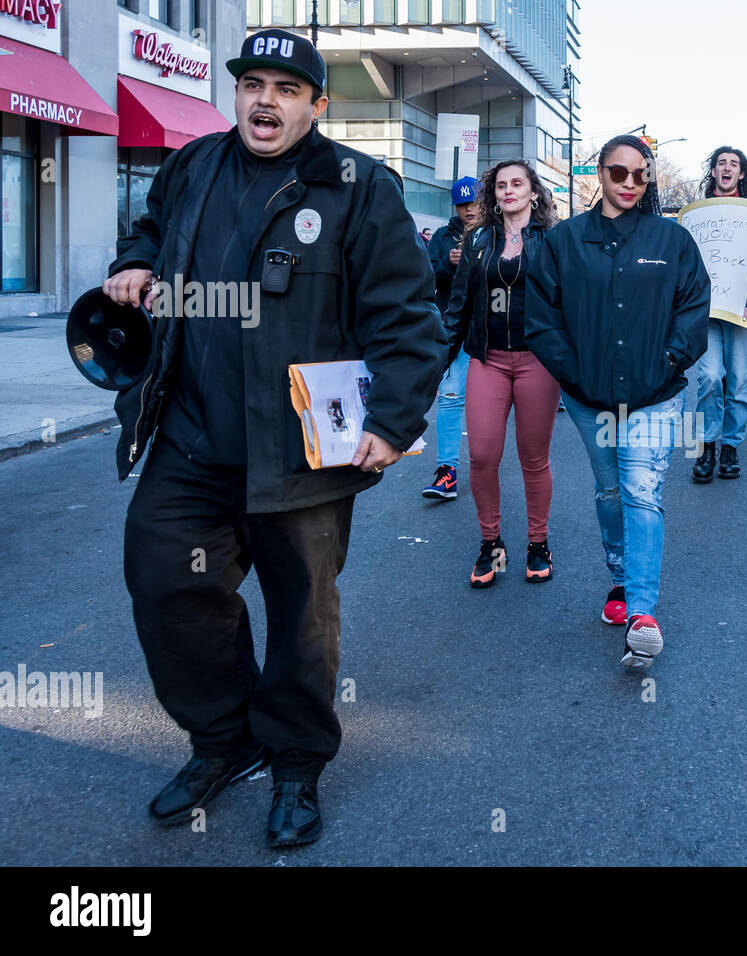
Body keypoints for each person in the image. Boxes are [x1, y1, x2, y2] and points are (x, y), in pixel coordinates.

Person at [103, 29, 447, 848]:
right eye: (253, 83)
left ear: (318, 106)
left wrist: (394, 421)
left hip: (301, 454)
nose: (265, 100)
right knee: (166, 588)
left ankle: (295, 762)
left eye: (287, 89)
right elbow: (148, 227)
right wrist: (135, 263)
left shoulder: (360, 187)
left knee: (303, 620)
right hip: (190, 440)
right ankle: (225, 741)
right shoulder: (195, 165)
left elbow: (406, 315)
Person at [527, 134, 710, 667]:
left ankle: (642, 612)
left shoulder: (672, 241)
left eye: (639, 174)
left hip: (655, 395)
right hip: (589, 397)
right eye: (618, 172)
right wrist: (575, 374)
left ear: (648, 180)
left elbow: (694, 307)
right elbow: (543, 319)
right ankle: (620, 581)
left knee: (642, 491)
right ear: (600, 175)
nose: (629, 183)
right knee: (609, 492)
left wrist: (671, 361)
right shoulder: (564, 240)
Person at [444, 160, 561, 586]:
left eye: (518, 183)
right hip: (487, 358)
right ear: (493, 194)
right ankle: (491, 545)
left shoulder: (552, 241)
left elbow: (569, 303)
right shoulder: (477, 239)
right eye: (501, 185)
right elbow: (458, 305)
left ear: (534, 193)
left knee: (533, 459)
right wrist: (440, 360)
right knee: (482, 455)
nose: (508, 190)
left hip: (536, 361)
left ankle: (538, 543)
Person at [690, 145, 747, 482]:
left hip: (741, 311)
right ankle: (707, 445)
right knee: (708, 377)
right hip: (705, 311)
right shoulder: (696, 213)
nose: (726, 168)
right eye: (721, 163)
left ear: (740, 173)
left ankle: (731, 446)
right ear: (713, 172)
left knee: (737, 382)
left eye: (733, 164)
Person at [421, 176, 481, 502]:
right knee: (450, 396)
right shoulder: (443, 237)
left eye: (473, 202)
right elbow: (427, 276)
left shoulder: (499, 234)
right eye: (462, 203)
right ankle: (447, 471)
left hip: (492, 332)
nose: (469, 209)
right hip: (454, 327)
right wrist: (448, 264)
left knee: (490, 405)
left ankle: (486, 468)